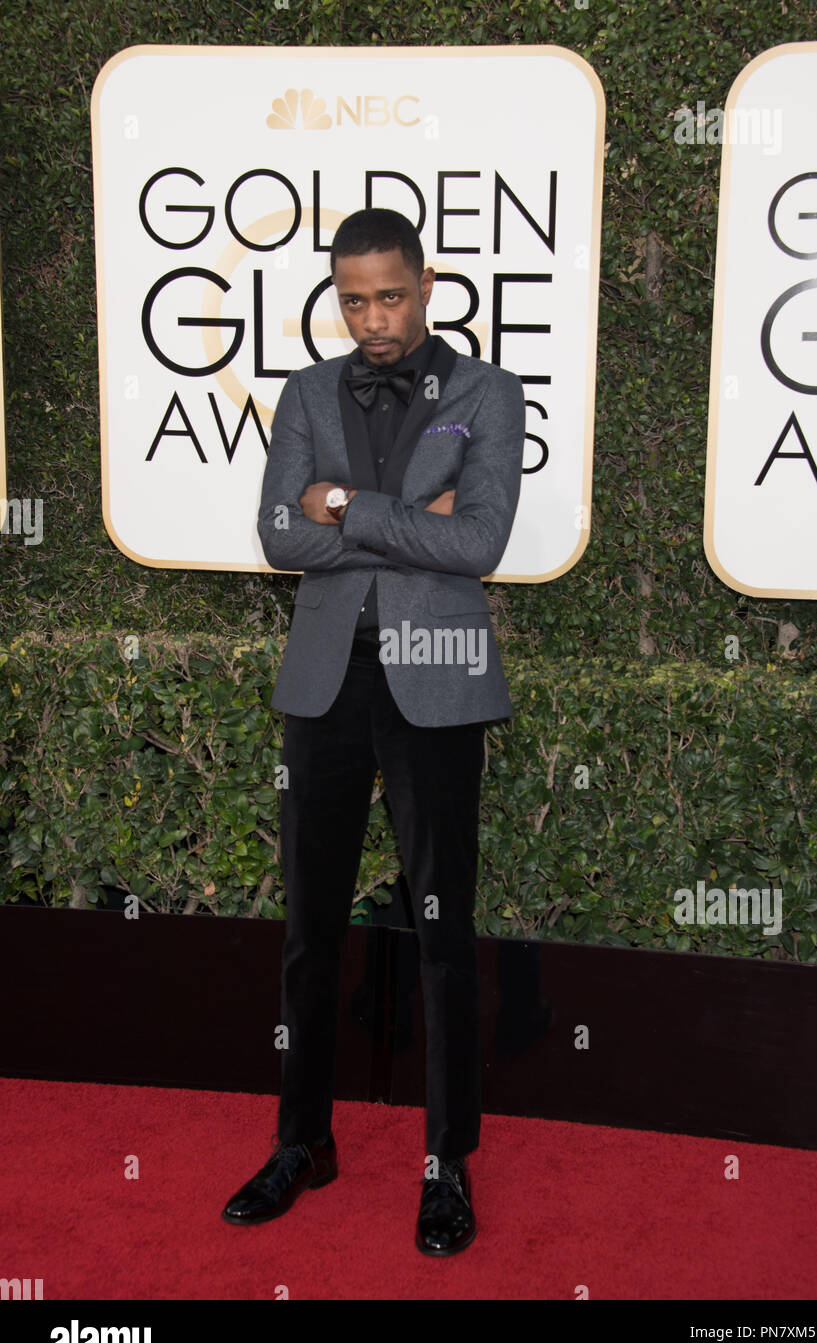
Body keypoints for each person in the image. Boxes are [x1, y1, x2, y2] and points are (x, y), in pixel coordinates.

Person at [221, 207, 525, 1255]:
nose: (373, 319)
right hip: (325, 684)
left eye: (390, 296)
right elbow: (278, 535)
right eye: (353, 301)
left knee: (443, 932)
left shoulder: (486, 393)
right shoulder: (307, 393)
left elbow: (478, 541)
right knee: (310, 928)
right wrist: (405, 521)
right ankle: (301, 1142)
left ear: (425, 285)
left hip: (437, 679)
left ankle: (447, 1165)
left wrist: (343, 502)